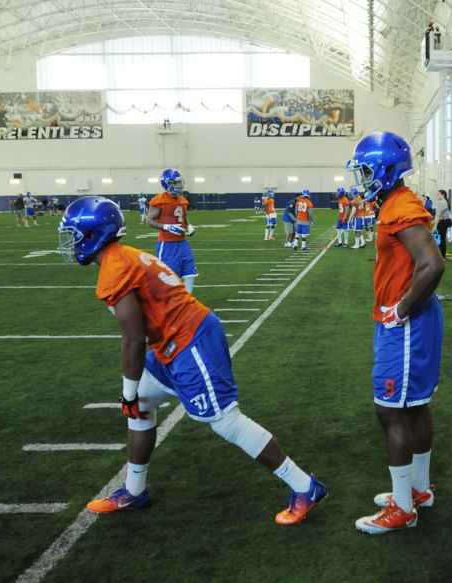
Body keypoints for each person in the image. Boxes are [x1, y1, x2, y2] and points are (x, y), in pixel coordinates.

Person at [57, 196, 327, 524]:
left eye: (74, 235)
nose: (70, 243)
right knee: (141, 403)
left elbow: (134, 340)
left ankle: (305, 486)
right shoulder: (122, 256)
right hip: (173, 341)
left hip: (189, 340)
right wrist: (132, 394)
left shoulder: (115, 268)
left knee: (226, 421)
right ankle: (134, 491)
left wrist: (125, 392)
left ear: (92, 235)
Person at [346, 131, 445, 534]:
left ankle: (403, 508)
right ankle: (418, 490)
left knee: (391, 410)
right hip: (409, 318)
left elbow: (432, 264)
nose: (362, 179)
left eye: (366, 171)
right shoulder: (395, 202)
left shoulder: (401, 205)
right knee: (414, 405)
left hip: (406, 322)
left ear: (386, 169)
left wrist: (400, 309)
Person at [146, 169, 198, 293]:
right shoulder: (159, 200)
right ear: (166, 183)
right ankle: (170, 300)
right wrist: (166, 227)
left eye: (179, 182)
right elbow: (149, 221)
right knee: (170, 275)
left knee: (190, 271)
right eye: (175, 183)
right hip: (167, 244)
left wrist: (189, 225)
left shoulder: (182, 200)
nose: (178, 185)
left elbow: (183, 217)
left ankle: (187, 300)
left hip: (182, 242)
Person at [431, 190, 452, 259]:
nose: (438, 195)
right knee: (440, 238)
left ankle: (442, 256)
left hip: (443, 222)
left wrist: (435, 226)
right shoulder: (441, 202)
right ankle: (440, 254)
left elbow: (439, 215)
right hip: (442, 222)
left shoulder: (443, 203)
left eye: (439, 194)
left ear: (443, 195)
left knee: (441, 239)